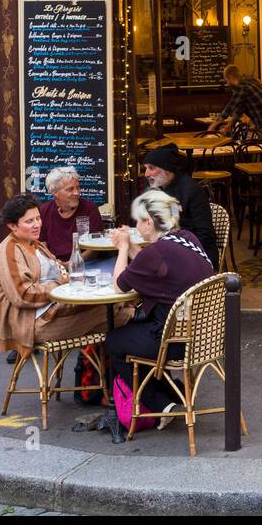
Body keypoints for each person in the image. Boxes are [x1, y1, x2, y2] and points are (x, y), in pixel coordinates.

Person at [101, 190, 214, 443]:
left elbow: (120, 285)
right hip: (203, 339)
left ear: (148, 223)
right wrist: (131, 246)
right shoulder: (187, 238)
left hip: (171, 343)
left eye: (138, 221)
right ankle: (173, 397)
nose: (135, 226)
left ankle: (160, 404)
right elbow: (152, 265)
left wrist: (121, 248)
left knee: (114, 341)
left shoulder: (156, 252)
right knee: (132, 337)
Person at [0, 193, 123, 360]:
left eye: (38, 219)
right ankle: (133, 324)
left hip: (49, 309)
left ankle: (96, 371)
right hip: (32, 323)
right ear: (12, 226)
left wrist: (65, 280)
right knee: (110, 310)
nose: (37, 225)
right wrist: (60, 283)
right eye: (29, 221)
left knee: (110, 308)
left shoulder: (36, 244)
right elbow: (23, 295)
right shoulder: (10, 251)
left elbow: (60, 269)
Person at [141, 143, 219, 270]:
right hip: (163, 250)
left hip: (195, 255)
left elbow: (205, 235)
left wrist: (175, 251)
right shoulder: (153, 187)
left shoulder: (191, 190)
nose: (146, 174)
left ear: (166, 170)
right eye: (145, 169)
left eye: (151, 168)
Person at [37, 166, 104, 262]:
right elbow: (42, 245)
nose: (76, 193)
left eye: (78, 187)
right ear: (55, 192)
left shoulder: (90, 209)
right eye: (70, 189)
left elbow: (95, 247)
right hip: (54, 265)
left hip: (86, 264)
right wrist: (55, 263)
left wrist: (71, 264)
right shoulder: (44, 211)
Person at [213, 65, 262, 136]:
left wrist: (212, 126)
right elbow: (239, 111)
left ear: (229, 77)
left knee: (257, 145)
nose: (227, 83)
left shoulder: (242, 88)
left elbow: (229, 108)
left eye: (226, 80)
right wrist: (229, 125)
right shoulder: (248, 84)